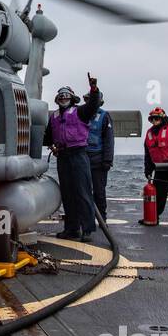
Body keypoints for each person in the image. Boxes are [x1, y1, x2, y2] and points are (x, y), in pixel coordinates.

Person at [43, 74, 102, 241]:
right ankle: (71, 229)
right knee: (68, 194)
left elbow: (93, 104)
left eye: (66, 96)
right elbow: (48, 137)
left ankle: (87, 230)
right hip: (62, 157)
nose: (63, 98)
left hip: (78, 155)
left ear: (72, 98)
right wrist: (51, 144)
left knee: (83, 192)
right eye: (60, 96)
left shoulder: (81, 111)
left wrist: (94, 89)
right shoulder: (54, 116)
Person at [86, 102, 115, 218]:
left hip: (98, 161)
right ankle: (87, 216)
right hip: (83, 159)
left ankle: (102, 217)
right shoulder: (82, 114)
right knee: (83, 191)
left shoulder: (104, 116)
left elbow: (109, 139)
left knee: (99, 192)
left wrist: (107, 160)